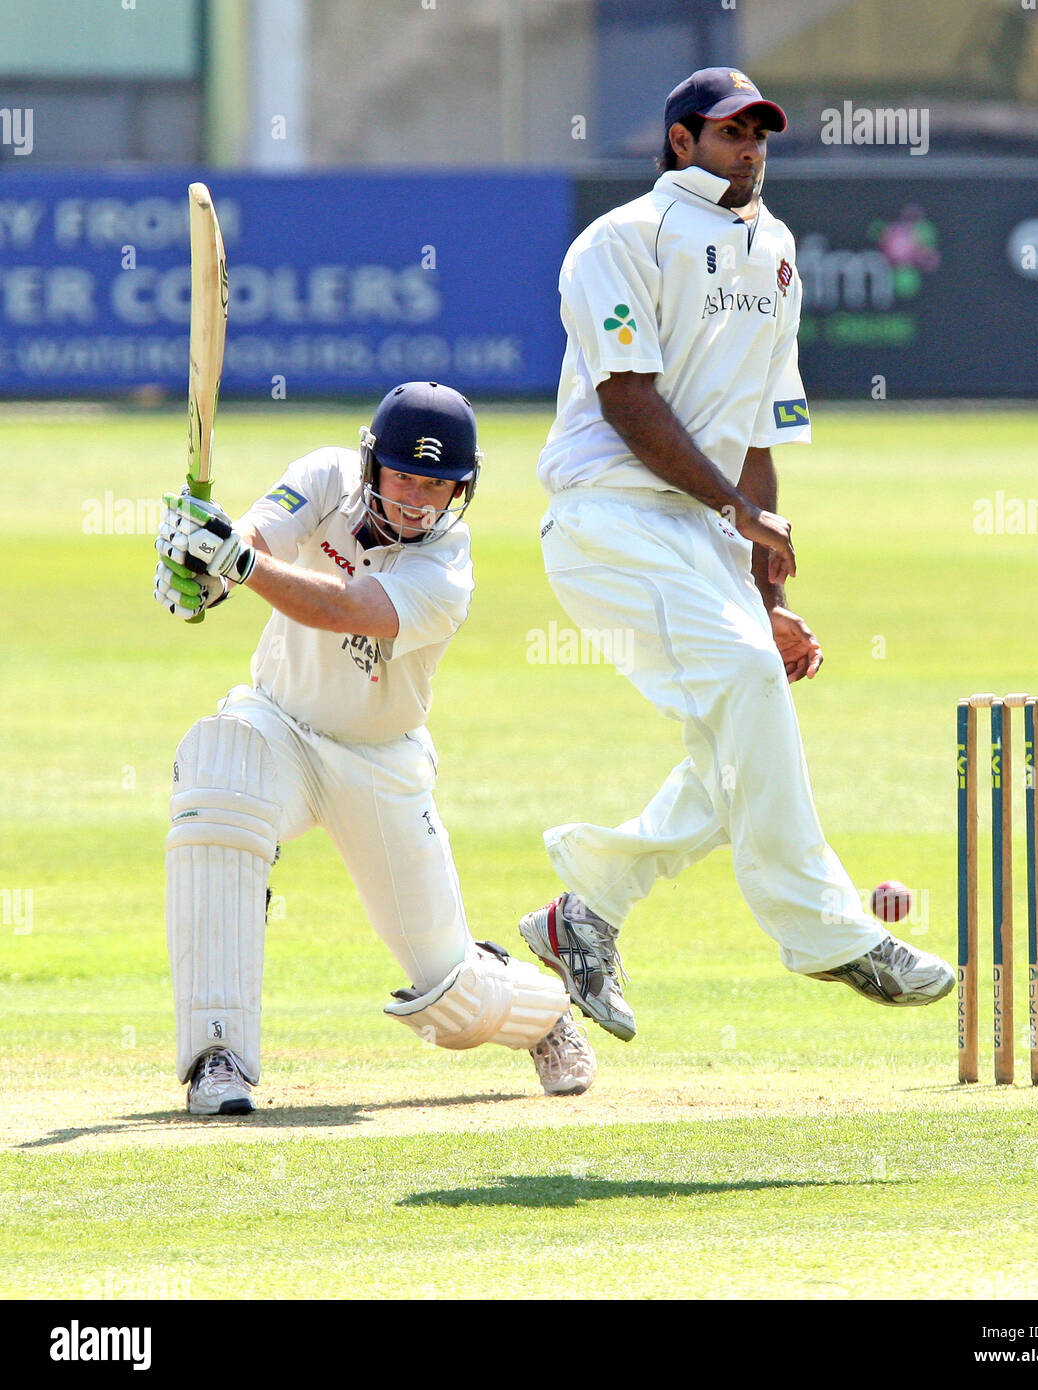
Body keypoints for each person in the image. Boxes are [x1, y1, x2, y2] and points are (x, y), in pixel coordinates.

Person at [518, 69, 954, 1042]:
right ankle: (831, 932)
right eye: (729, 132)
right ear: (681, 142)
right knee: (747, 693)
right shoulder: (619, 242)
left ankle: (583, 909)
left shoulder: (779, 251)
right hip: (609, 517)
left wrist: (763, 593)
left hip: (700, 534)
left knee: (739, 742)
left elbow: (759, 433)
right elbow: (630, 400)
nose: (750, 146)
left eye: (761, 131)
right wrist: (728, 511)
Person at [153, 380, 595, 1113]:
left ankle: (543, 1011)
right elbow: (260, 533)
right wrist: (206, 571)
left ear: (463, 488)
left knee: (449, 1002)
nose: (420, 500)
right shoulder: (327, 475)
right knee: (215, 773)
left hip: (379, 762)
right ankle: (217, 1057)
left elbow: (343, 607)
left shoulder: (446, 569)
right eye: (404, 477)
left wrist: (239, 567)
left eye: (438, 484)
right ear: (370, 466)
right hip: (278, 724)